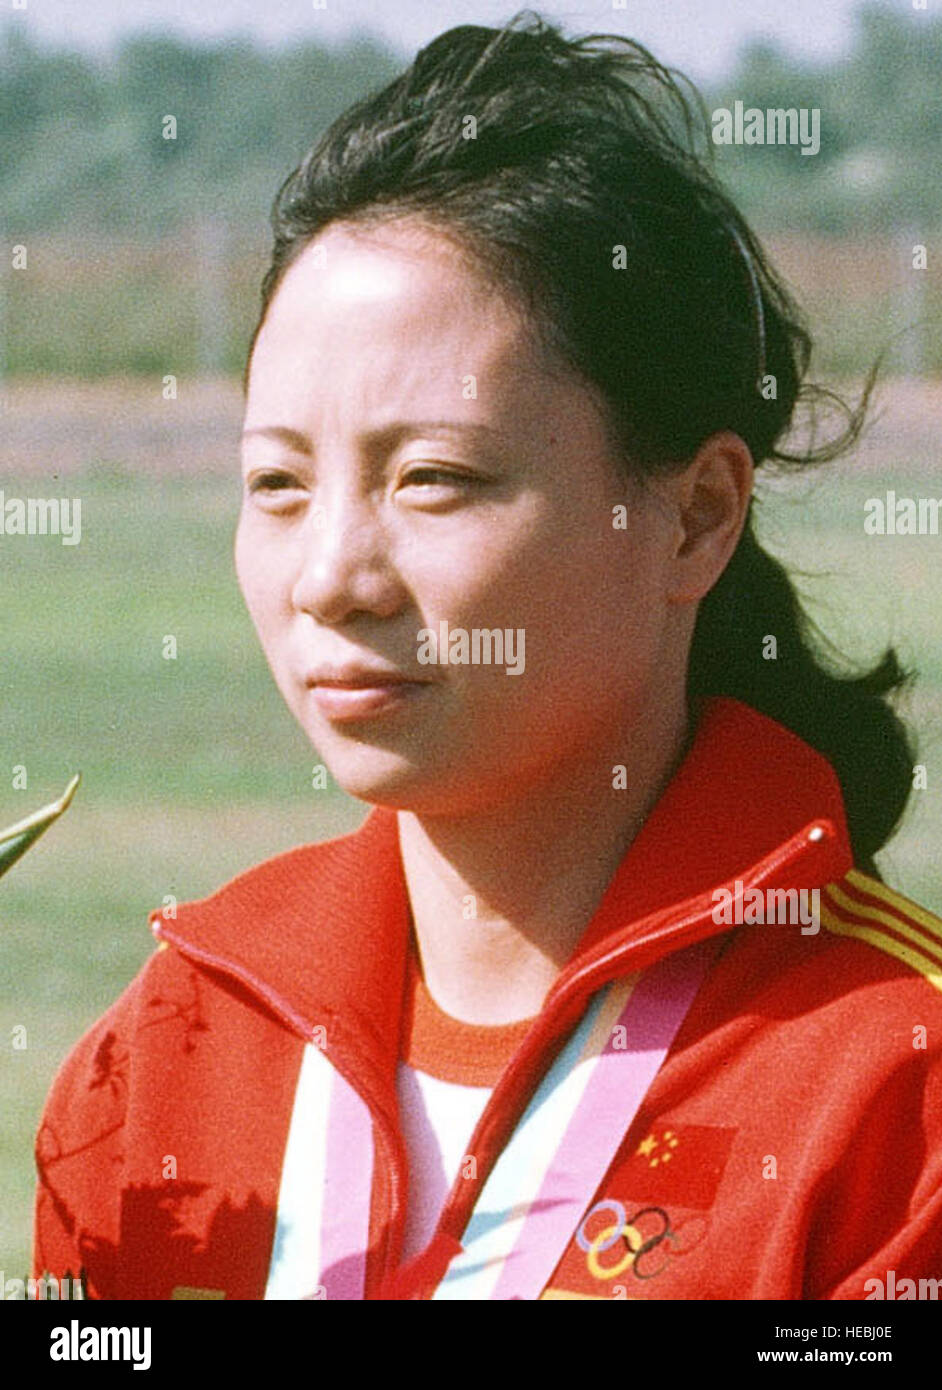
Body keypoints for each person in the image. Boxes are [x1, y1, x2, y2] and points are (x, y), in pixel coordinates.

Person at [33, 13, 942, 1301]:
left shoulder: (901, 1092)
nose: (330, 578)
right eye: (277, 482)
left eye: (436, 479)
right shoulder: (171, 1049)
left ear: (694, 517)